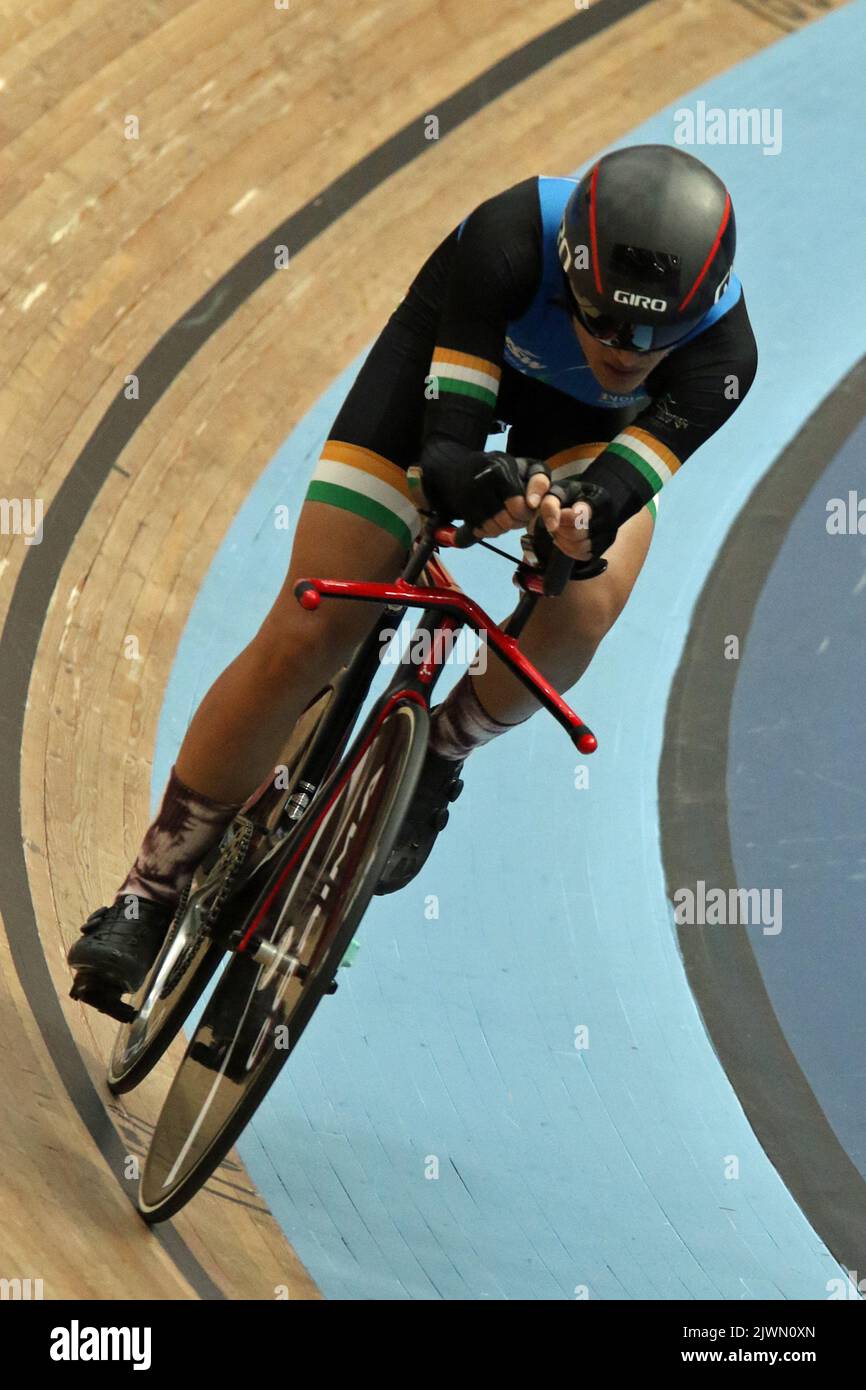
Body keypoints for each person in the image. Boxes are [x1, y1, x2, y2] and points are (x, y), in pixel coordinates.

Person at [68, 142, 757, 1005]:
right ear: (569, 271)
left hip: (588, 434)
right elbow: (448, 455)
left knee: (585, 606)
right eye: (605, 321)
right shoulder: (508, 239)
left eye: (656, 334)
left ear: (699, 314)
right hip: (447, 370)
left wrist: (576, 526)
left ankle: (439, 750)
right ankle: (150, 887)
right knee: (310, 628)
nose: (626, 351)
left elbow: (613, 494)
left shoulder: (724, 359)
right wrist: (471, 486)